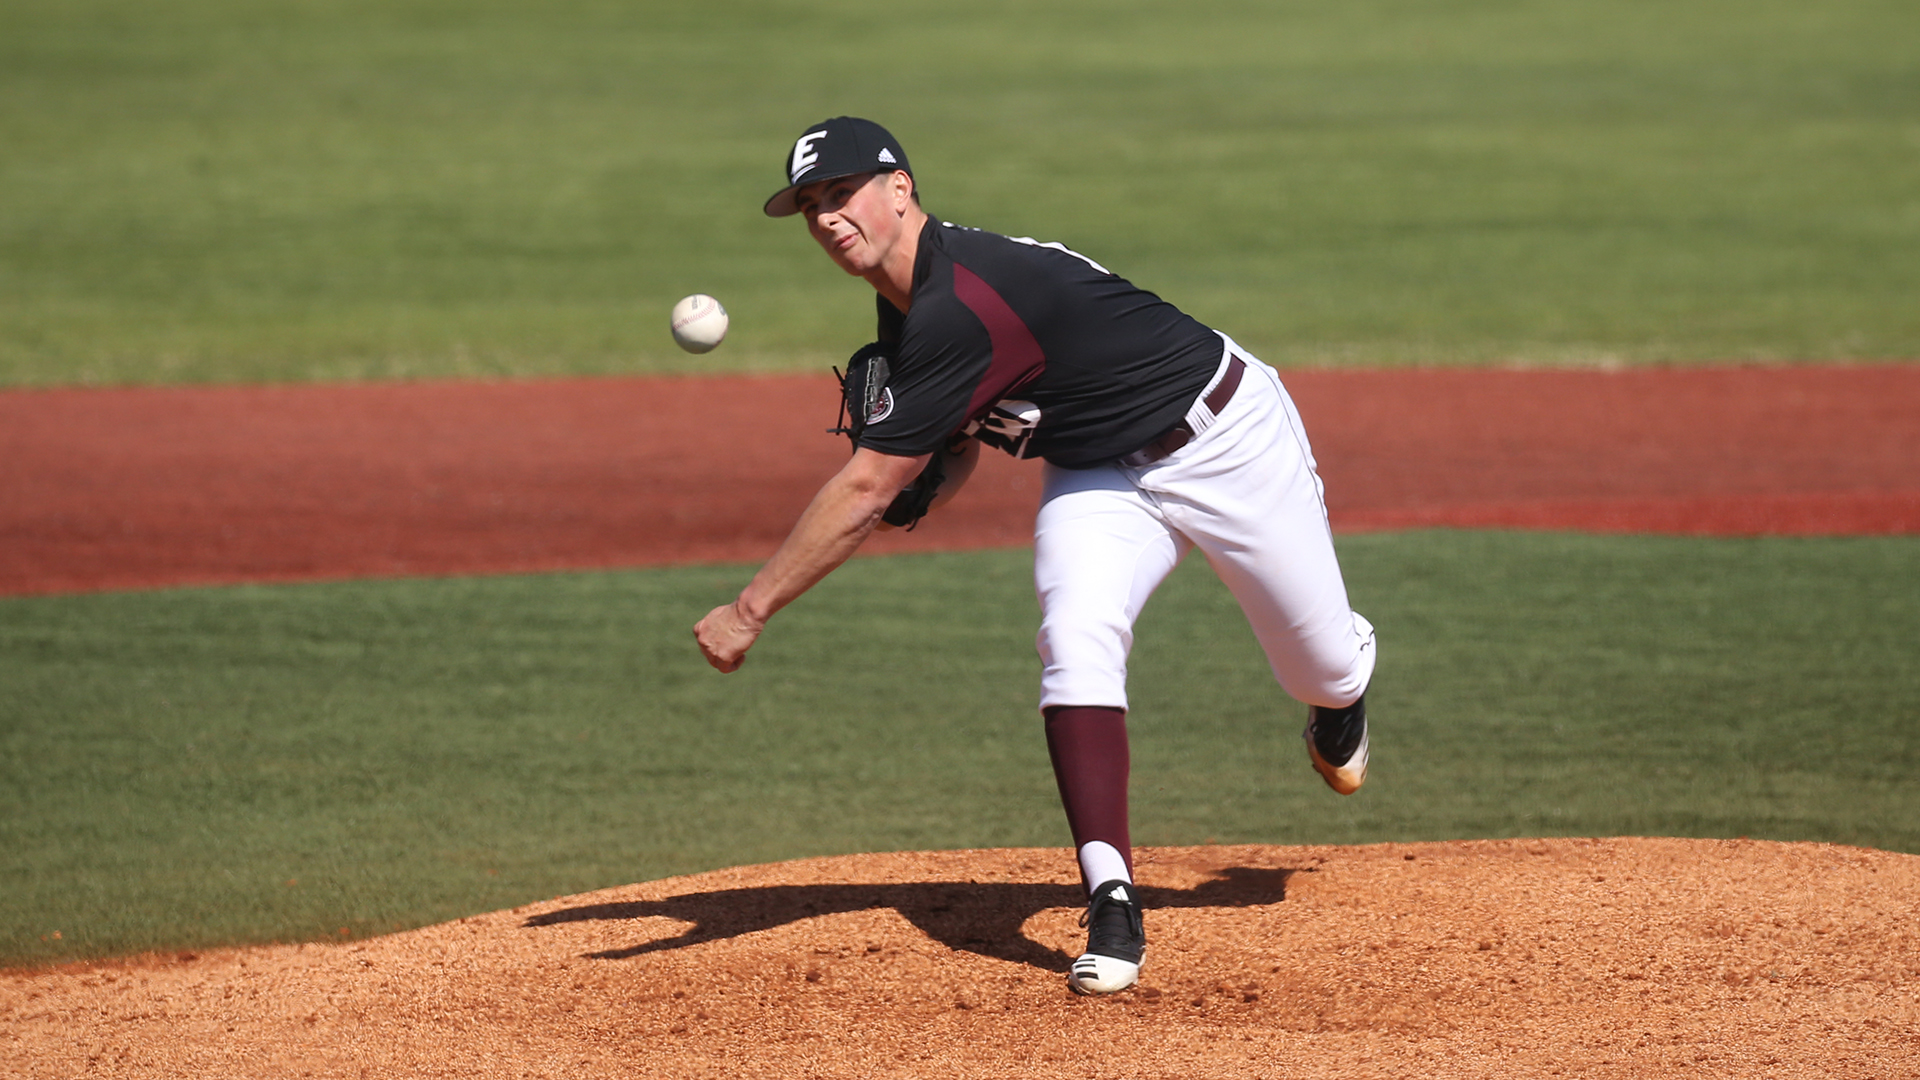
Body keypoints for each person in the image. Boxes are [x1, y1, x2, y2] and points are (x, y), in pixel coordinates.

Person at [695, 117, 1376, 996]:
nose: (825, 218)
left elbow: (866, 490)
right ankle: (1112, 900)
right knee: (1075, 635)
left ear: (900, 189)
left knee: (1316, 667)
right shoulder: (904, 294)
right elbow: (965, 443)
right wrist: (929, 489)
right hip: (1099, 471)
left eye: (841, 194)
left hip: (1227, 441)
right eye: (811, 206)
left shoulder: (959, 302)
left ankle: (1345, 685)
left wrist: (748, 611)